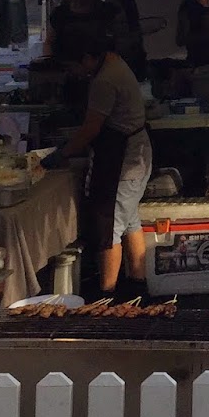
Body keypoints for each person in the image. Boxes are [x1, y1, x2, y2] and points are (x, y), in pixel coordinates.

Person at [58, 25, 153, 297]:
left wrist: (62, 153)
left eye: (73, 65)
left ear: (87, 57)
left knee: (109, 227)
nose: (74, 72)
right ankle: (138, 289)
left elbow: (91, 129)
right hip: (135, 153)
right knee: (130, 220)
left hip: (126, 159)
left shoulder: (104, 80)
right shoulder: (115, 62)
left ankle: (106, 297)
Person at [46, 0, 128, 60]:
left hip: (103, 70)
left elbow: (123, 43)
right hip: (65, 69)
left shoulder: (109, 12)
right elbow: (49, 42)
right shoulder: (60, 14)